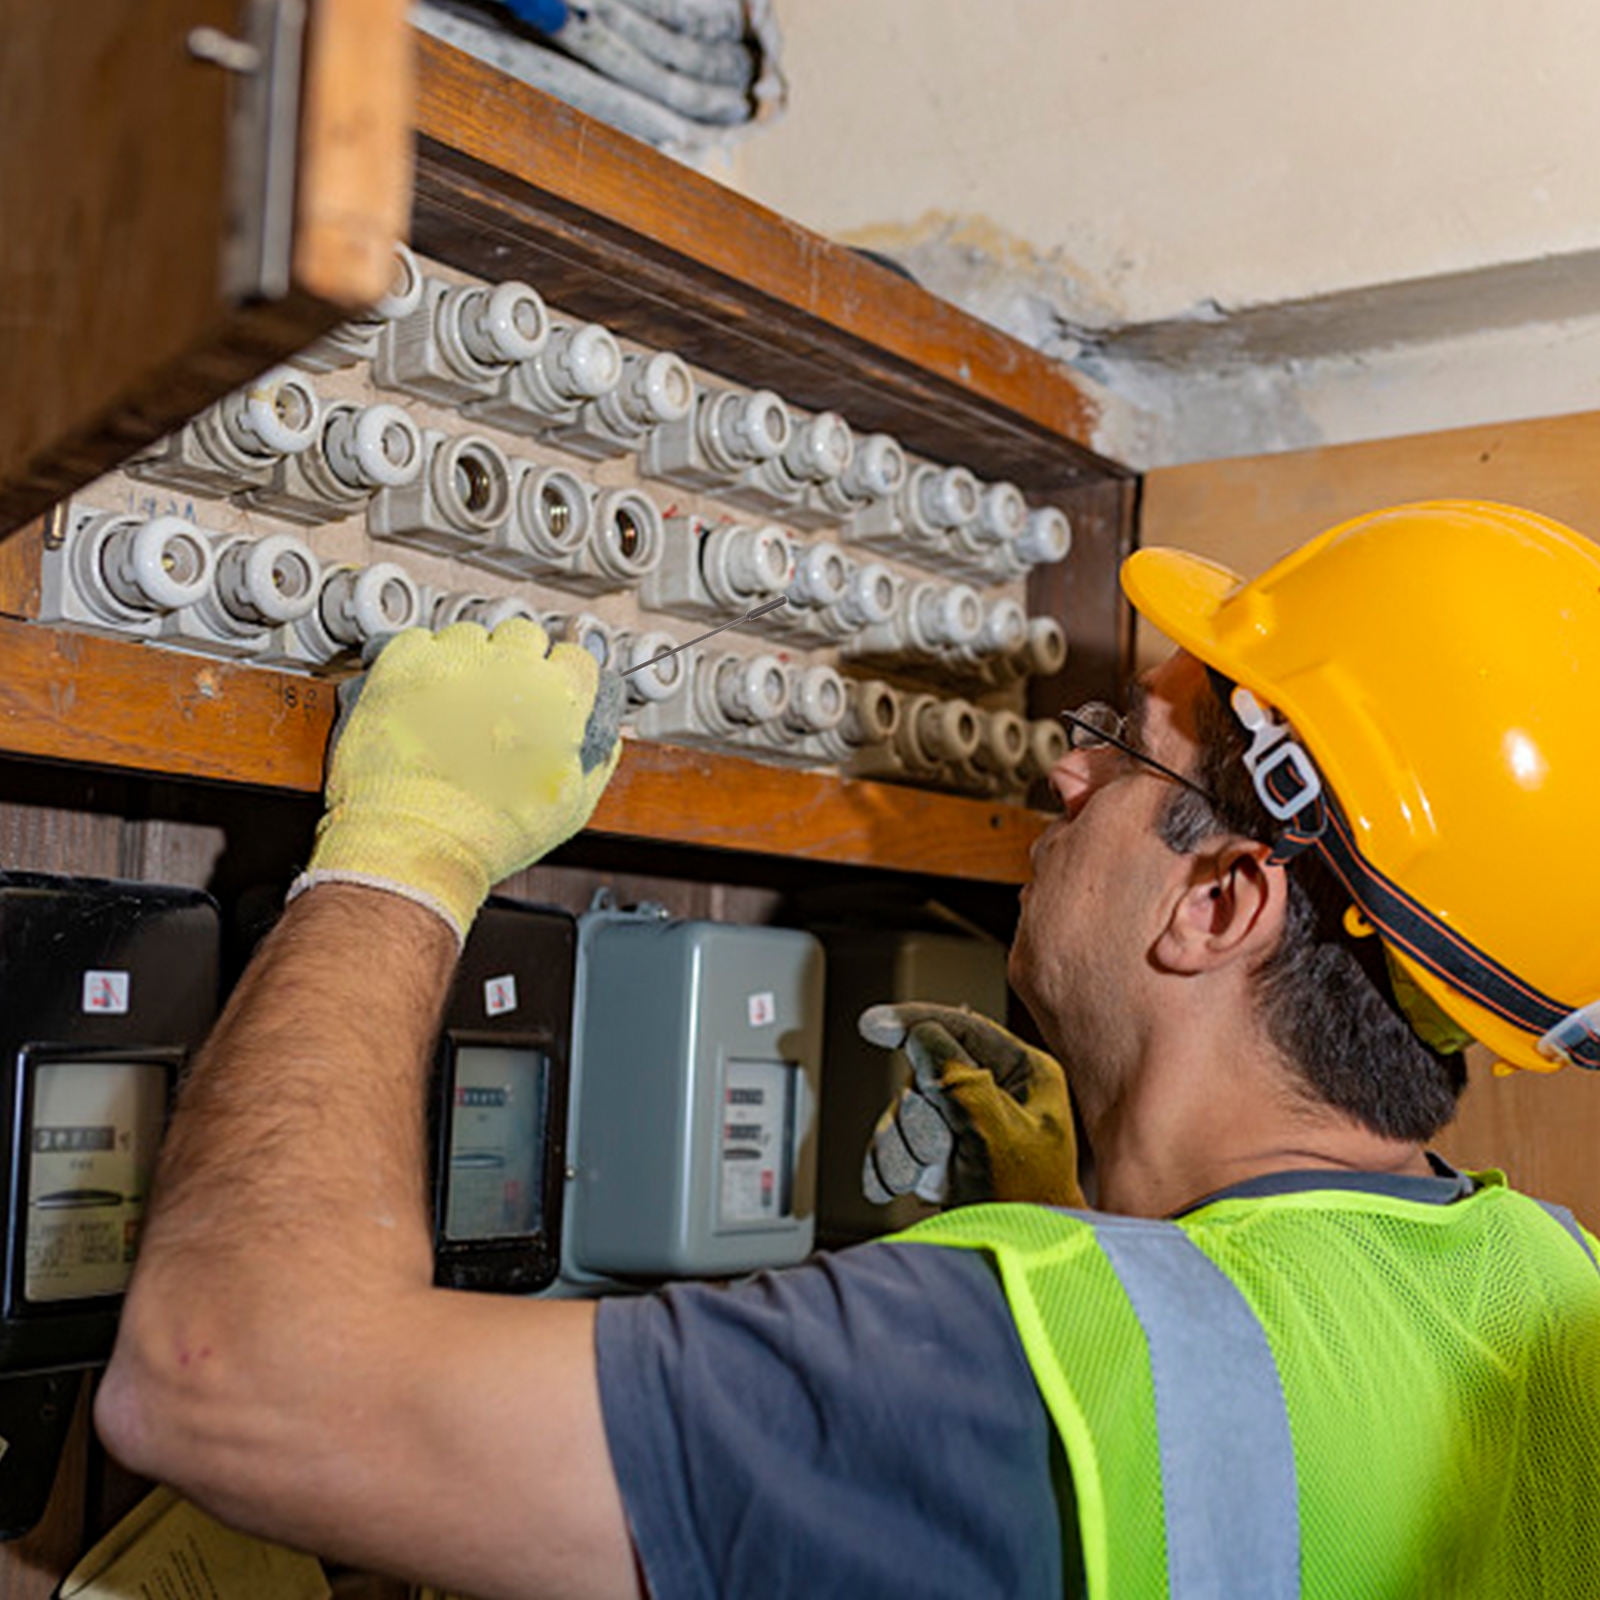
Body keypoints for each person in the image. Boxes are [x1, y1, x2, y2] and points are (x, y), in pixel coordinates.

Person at [95, 501, 1600, 1598]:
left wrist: (404, 848)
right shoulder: (1555, 1286)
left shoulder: (1005, 1362)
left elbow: (225, 1379)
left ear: (1219, 901)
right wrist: (1096, 1217)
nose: (1065, 766)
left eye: (1126, 747)